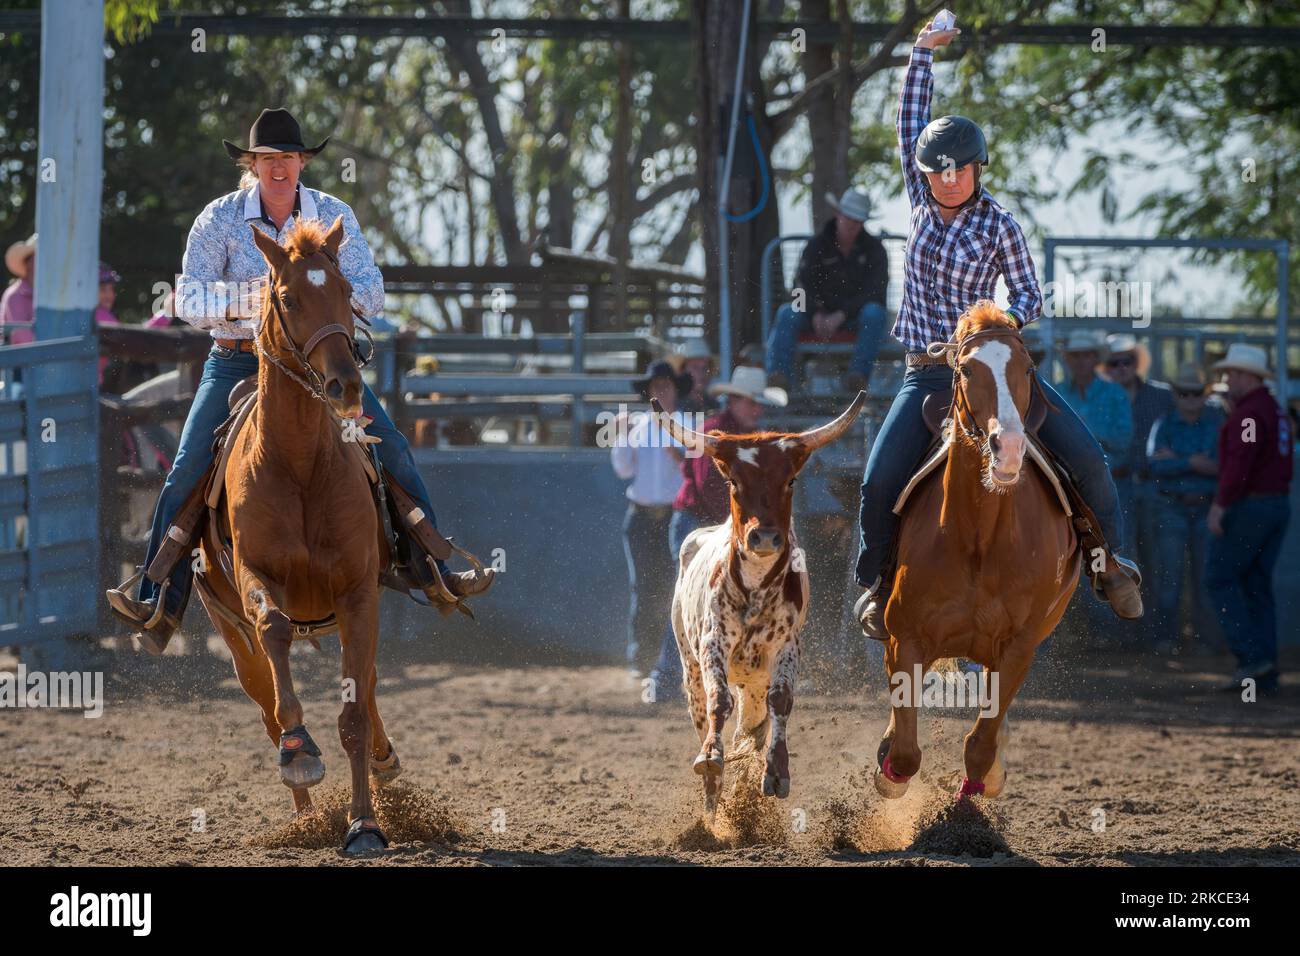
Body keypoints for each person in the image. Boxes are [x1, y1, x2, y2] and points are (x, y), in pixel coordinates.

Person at [105, 107, 493, 653]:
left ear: (302, 161)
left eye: (288, 157)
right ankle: (156, 595)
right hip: (240, 357)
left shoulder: (335, 215)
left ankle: (432, 565)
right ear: (252, 164)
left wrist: (316, 297)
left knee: (392, 447)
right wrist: (263, 299)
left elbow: (372, 292)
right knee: (189, 463)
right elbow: (186, 299)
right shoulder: (218, 219)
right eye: (268, 159)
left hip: (319, 364)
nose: (279, 167)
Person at [854, 19, 1143, 639]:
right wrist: (920, 53)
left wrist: (997, 328)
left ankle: (1110, 562)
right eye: (938, 171)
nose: (948, 178)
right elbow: (910, 117)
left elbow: (1032, 295)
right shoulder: (918, 196)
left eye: (959, 170)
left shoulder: (1001, 226)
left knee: (1087, 459)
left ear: (977, 169)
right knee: (879, 481)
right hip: (927, 374)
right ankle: (879, 586)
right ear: (925, 173)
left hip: (994, 371)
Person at [648, 365, 787, 699]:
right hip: (696, 523)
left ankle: (726, 669)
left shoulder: (745, 437)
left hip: (725, 527)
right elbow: (708, 488)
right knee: (691, 598)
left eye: (759, 404)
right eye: (751, 402)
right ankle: (666, 676)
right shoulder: (712, 432)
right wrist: (741, 523)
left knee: (722, 599)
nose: (757, 409)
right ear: (735, 401)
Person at [1203, 344, 1293, 692]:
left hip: (1251, 507)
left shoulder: (1251, 415)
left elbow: (1242, 461)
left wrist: (1221, 504)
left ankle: (1251, 657)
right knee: (1256, 584)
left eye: (1233, 374)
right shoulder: (1271, 410)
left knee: (1219, 578)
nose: (1229, 380)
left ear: (1248, 376)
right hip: (1275, 506)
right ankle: (1264, 665)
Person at [610, 359, 690, 680]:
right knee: (644, 588)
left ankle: (667, 661)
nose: (660, 392)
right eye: (656, 387)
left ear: (674, 390)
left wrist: (680, 457)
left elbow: (696, 474)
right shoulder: (640, 427)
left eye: (665, 386)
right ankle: (642, 659)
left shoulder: (687, 425)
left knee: (674, 590)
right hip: (643, 517)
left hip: (673, 517)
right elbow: (623, 470)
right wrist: (620, 436)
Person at [766, 187, 889, 393]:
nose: (851, 224)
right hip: (817, 317)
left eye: (857, 220)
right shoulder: (815, 246)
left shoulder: (875, 250)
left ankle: (857, 378)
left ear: (863, 223)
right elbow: (800, 286)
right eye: (848, 217)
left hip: (854, 320)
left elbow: (875, 292)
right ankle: (779, 380)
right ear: (838, 214)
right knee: (787, 312)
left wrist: (841, 315)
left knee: (875, 313)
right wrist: (815, 314)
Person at [1146, 363, 1222, 654]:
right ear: (1176, 395)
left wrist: (1176, 459)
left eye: (1196, 393)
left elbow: (1221, 467)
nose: (1190, 399)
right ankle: (1167, 639)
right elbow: (1155, 464)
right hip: (1171, 508)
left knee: (1205, 578)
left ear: (1205, 395)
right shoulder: (1163, 424)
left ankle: (1205, 640)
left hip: (1204, 509)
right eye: (1184, 393)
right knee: (1170, 577)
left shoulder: (1217, 425)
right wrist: (1194, 462)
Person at [1105, 332, 1174, 564]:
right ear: (1107, 367)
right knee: (1122, 556)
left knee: (1157, 558)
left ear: (1136, 364)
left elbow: (1185, 423)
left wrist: (1177, 452)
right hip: (1116, 485)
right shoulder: (1101, 399)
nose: (1122, 367)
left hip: (1155, 485)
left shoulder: (1162, 396)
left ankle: (1153, 602)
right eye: (1114, 362)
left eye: (1128, 361)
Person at [1059, 330, 1133, 469]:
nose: (1081, 361)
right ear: (1068, 359)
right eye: (1075, 355)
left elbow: (1124, 441)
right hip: (1066, 473)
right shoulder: (1058, 392)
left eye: (1086, 355)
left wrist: (1086, 430)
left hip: (1110, 474)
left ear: (1096, 359)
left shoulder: (1116, 393)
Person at [1, 233, 36, 346]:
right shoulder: (14, 295)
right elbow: (23, 339)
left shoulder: (48, 294)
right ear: (28, 263)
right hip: (21, 361)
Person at [669, 337, 717, 414]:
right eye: (695, 367)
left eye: (705, 368)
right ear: (682, 371)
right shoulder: (672, 405)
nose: (701, 373)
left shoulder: (714, 405)